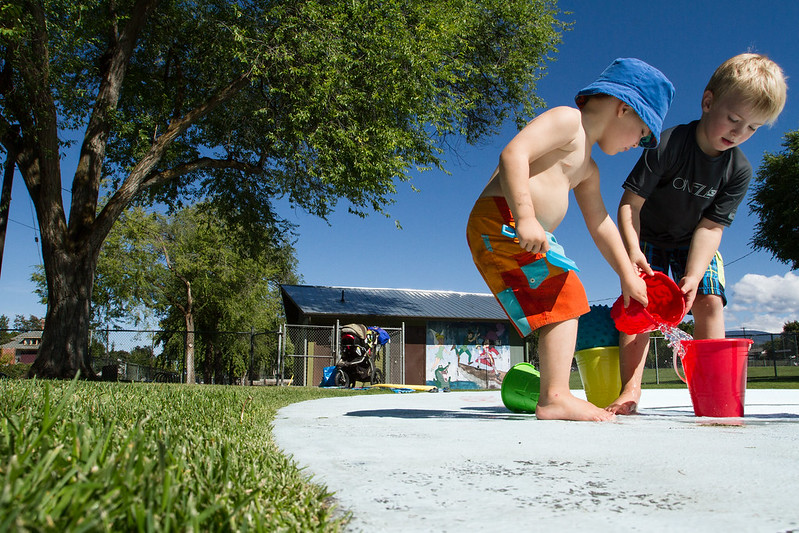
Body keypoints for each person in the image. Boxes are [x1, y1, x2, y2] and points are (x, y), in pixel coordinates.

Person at [467, 58, 675, 421]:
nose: (638, 143)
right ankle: (554, 397)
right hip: (504, 220)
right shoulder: (567, 121)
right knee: (566, 293)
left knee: (564, 297)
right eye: (641, 133)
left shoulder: (588, 169)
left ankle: (553, 393)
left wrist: (627, 271)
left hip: (530, 232)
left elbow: (601, 224)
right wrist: (527, 216)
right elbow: (514, 153)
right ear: (623, 108)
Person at [608, 53, 788, 415]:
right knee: (639, 304)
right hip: (648, 238)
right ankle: (631, 390)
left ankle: (713, 387)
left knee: (709, 299)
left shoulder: (738, 170)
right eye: (734, 119)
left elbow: (712, 225)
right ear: (708, 102)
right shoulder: (667, 144)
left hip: (694, 242)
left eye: (752, 127)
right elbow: (630, 205)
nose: (739, 132)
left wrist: (692, 275)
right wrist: (632, 255)